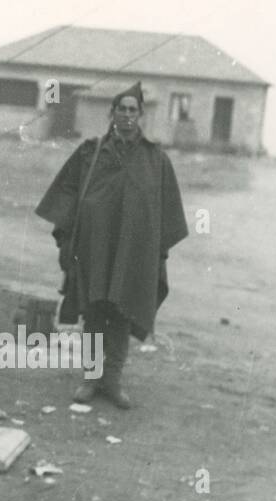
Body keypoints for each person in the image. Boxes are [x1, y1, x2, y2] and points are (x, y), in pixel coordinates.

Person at [34, 81, 188, 408]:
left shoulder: (156, 159)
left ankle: (113, 380)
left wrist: (154, 251)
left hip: (132, 254)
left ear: (141, 115)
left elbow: (167, 212)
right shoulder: (90, 153)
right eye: (122, 109)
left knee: (122, 312)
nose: (128, 115)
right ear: (112, 113)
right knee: (94, 312)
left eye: (134, 110)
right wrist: (68, 240)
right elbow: (66, 195)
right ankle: (91, 378)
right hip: (94, 250)